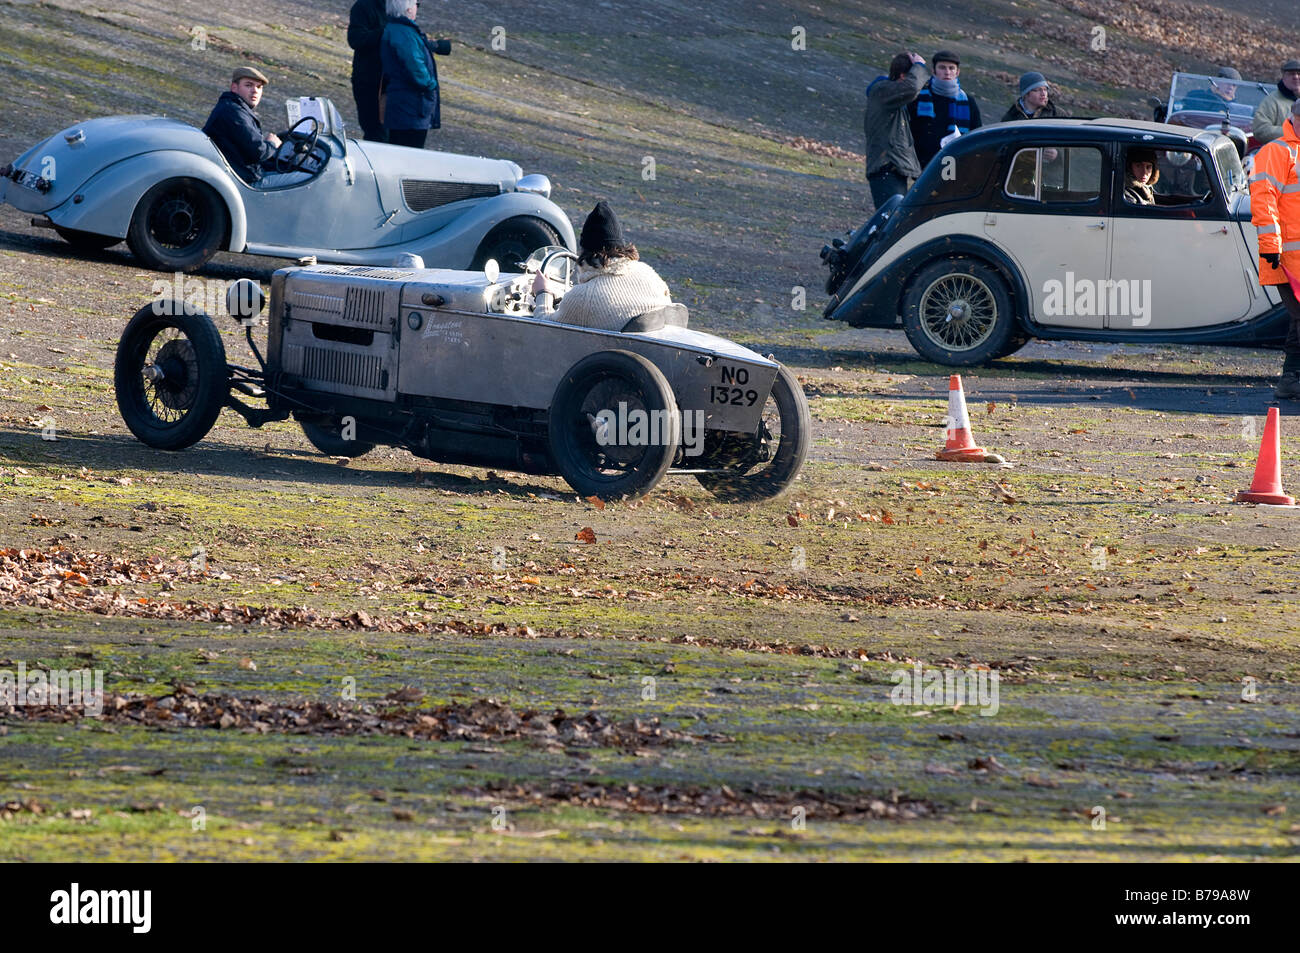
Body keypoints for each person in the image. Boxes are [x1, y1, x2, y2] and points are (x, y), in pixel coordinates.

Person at [545, 202, 673, 331]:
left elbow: (545, 327)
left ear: (584, 251)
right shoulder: (649, 273)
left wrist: (543, 292)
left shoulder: (582, 297)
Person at [1249, 99, 1300, 399]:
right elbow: (1264, 202)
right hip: (1286, 261)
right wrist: (1271, 247)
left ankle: (1291, 380)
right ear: (1294, 117)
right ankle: (1290, 379)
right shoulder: (1276, 153)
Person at [380, 0, 451, 149]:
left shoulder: (399, 30)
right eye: (415, 4)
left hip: (406, 105)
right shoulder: (404, 33)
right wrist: (430, 85)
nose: (416, 8)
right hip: (411, 107)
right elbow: (414, 64)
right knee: (409, 152)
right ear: (407, 9)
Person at [864, 52, 929, 209]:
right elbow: (912, 87)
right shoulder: (883, 92)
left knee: (894, 223)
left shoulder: (889, 99)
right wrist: (919, 66)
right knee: (890, 223)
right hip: (886, 169)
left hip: (893, 169)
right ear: (902, 77)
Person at [201, 67, 282, 186]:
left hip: (237, 174)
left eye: (259, 87)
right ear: (234, 87)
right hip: (243, 181)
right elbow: (258, 152)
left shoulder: (233, 107)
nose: (255, 91)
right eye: (249, 85)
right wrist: (272, 144)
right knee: (303, 179)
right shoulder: (234, 111)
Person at [908, 50, 982, 168]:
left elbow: (976, 134)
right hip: (922, 162)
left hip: (954, 162)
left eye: (951, 68)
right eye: (942, 68)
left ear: (957, 72)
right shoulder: (920, 96)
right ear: (933, 71)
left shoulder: (968, 101)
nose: (947, 72)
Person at [348, 0, 389, 142]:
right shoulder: (364, 7)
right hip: (369, 82)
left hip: (391, 84)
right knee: (376, 133)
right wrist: (385, 32)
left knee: (388, 134)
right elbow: (355, 39)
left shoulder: (399, 8)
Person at [1253, 58, 1300, 146]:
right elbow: (1260, 130)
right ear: (1283, 77)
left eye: (1299, 74)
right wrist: (1292, 132)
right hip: (1282, 155)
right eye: (1291, 74)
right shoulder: (1272, 101)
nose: (1296, 77)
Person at [1002, 72, 1068, 121]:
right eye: (1038, 90)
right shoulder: (1011, 116)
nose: (1043, 94)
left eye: (1045, 89)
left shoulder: (1057, 113)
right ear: (1026, 94)